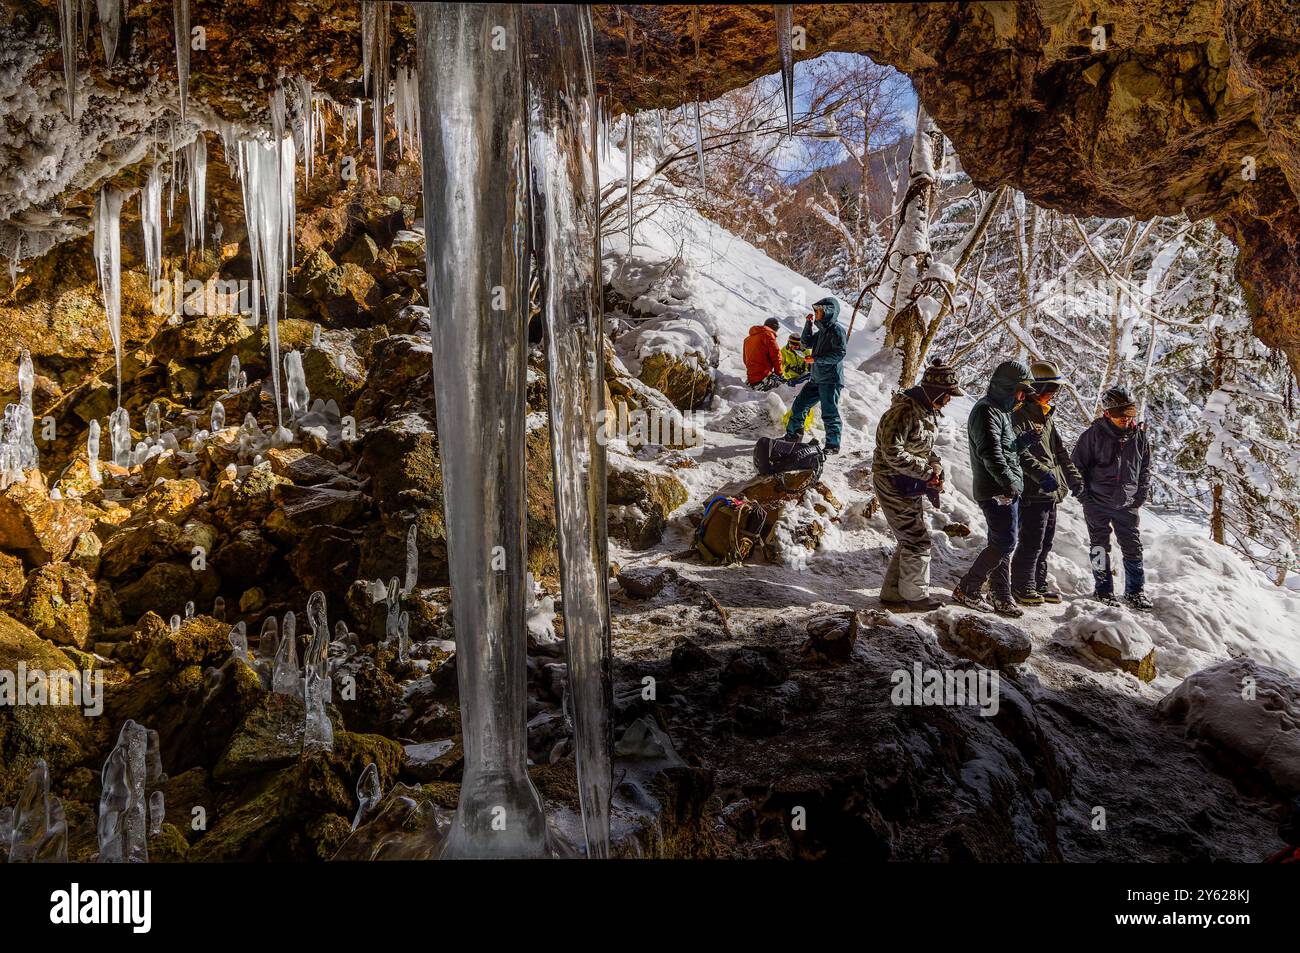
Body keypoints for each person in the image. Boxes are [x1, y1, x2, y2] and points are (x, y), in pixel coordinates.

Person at [952, 359, 1039, 617]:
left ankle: (1000, 594)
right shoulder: (986, 411)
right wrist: (1008, 482)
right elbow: (990, 452)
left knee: (1002, 542)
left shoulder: (999, 412)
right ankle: (969, 587)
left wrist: (1023, 441)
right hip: (996, 489)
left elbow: (1005, 450)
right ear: (1007, 387)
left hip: (1003, 488)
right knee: (1005, 541)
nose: (1022, 397)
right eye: (1020, 391)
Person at [874, 360, 963, 611]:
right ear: (936, 392)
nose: (948, 401)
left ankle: (894, 592)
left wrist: (935, 466)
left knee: (910, 537)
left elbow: (924, 448)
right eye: (947, 396)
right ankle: (915, 596)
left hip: (908, 482)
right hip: (893, 480)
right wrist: (926, 471)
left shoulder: (923, 411)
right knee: (916, 539)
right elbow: (892, 452)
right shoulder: (903, 412)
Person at [1009, 361, 1085, 605]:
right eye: (1052, 389)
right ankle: (1022, 585)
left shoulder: (1046, 415)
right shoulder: (1019, 415)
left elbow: (1060, 452)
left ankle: (1038, 583)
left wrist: (1074, 479)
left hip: (1052, 492)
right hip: (1033, 489)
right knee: (1031, 540)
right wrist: (1042, 474)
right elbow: (1019, 454)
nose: (1054, 395)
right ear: (1037, 390)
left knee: (1045, 541)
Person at [1071, 387, 1153, 610]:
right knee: (1099, 546)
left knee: (1133, 548)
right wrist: (1084, 496)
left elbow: (1144, 469)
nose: (1126, 419)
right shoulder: (1092, 436)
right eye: (1121, 416)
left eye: (1129, 415)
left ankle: (1135, 592)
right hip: (1096, 502)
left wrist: (1139, 496)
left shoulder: (1139, 437)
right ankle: (1103, 590)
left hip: (1127, 504)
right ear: (1108, 413)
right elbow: (1075, 467)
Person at [783, 296, 846, 456]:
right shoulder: (821, 332)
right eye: (816, 311)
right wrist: (808, 324)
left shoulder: (837, 331)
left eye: (818, 311)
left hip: (831, 380)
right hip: (816, 379)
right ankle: (793, 436)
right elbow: (805, 343)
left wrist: (816, 359)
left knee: (829, 412)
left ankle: (832, 445)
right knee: (800, 405)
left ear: (828, 312)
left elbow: (839, 354)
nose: (816, 313)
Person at [744, 317, 785, 391]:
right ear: (775, 328)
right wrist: (779, 374)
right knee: (785, 386)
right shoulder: (768, 335)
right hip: (763, 377)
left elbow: (745, 360)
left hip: (750, 378)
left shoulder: (747, 339)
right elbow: (776, 356)